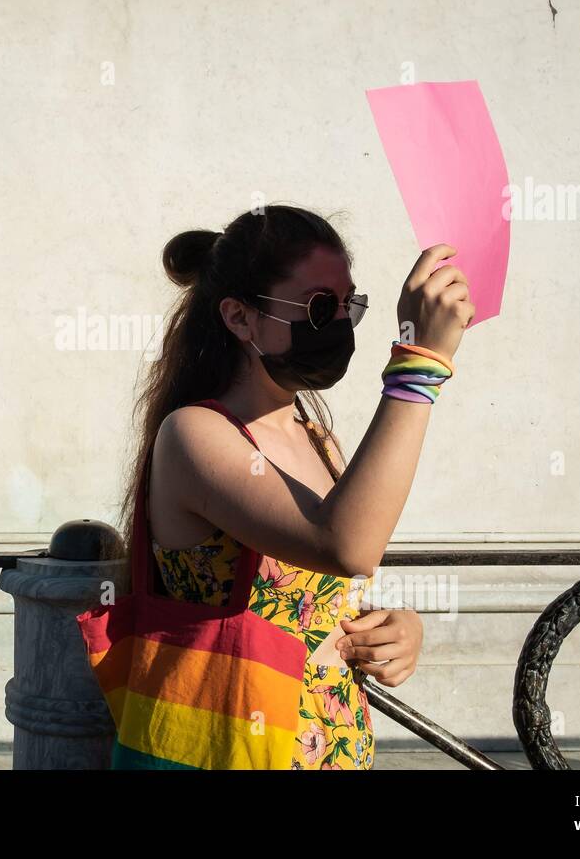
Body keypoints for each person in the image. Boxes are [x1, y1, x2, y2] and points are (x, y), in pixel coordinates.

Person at [116, 205, 473, 770]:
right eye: (318, 306)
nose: (336, 325)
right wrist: (420, 364)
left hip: (333, 743)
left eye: (347, 305)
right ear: (239, 318)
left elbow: (318, 591)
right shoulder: (194, 434)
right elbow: (345, 545)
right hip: (232, 752)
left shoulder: (317, 437)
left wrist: (396, 629)